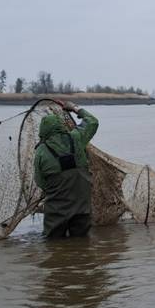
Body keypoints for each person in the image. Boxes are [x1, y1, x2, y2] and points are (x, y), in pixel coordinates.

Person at [34, 100, 99, 238]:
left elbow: (40, 181)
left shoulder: (40, 151)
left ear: (43, 131)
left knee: (54, 243)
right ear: (61, 126)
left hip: (57, 208)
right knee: (81, 241)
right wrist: (75, 108)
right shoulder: (76, 137)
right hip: (82, 204)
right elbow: (92, 121)